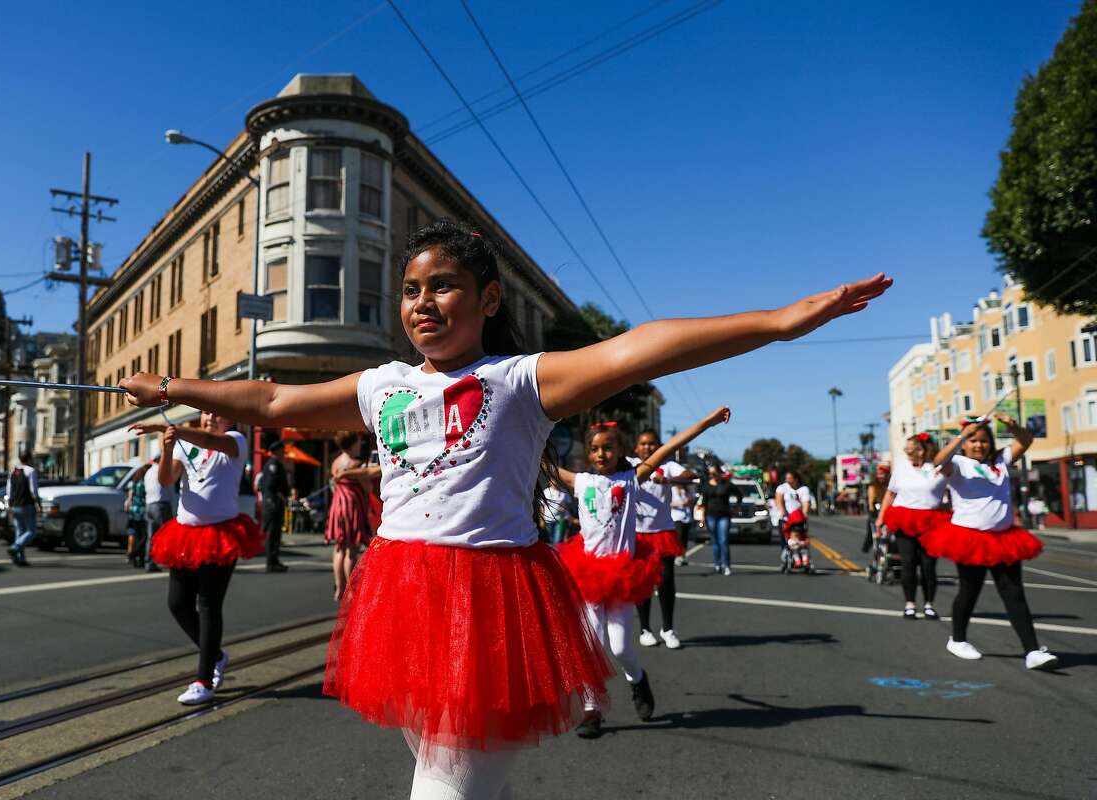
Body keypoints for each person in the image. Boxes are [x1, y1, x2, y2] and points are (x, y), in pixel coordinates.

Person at [120, 218, 890, 798]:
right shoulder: (384, 384)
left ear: (488, 299)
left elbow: (647, 346)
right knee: (445, 768)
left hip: (487, 603)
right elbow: (273, 396)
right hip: (401, 598)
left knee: (445, 787)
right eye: (412, 290)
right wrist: (167, 389)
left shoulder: (523, 381)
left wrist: (784, 321)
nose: (424, 303)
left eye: (444, 286)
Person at [557, 408, 730, 738]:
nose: (600, 454)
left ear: (620, 450)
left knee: (621, 648)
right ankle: (592, 710)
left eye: (607, 447)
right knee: (592, 645)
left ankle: (638, 681)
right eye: (594, 449)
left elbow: (671, 446)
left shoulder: (631, 479)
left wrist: (706, 422)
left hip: (622, 575)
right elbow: (540, 462)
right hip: (588, 575)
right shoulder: (581, 482)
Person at [129, 413, 264, 704]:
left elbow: (210, 440)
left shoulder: (235, 441)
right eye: (205, 411)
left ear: (229, 420)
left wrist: (170, 429)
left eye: (216, 412)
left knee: (208, 605)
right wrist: (166, 446)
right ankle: (215, 655)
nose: (210, 417)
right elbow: (167, 480)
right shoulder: (185, 443)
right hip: (185, 533)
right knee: (177, 603)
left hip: (220, 534)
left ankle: (204, 680)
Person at [920, 415, 1058, 669]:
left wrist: (1013, 427)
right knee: (969, 591)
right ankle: (957, 639)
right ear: (965, 443)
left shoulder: (1001, 460)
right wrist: (962, 435)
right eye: (973, 441)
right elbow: (938, 461)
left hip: (1004, 537)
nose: (978, 445)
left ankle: (1032, 651)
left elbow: (1026, 441)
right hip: (970, 537)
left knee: (1014, 594)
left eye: (983, 441)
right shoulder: (958, 462)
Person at [629, 429, 697, 650]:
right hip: (637, 532)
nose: (647, 447)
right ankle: (645, 629)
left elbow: (690, 476)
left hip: (663, 531)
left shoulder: (667, 465)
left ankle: (668, 629)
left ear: (659, 447)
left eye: (652, 444)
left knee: (666, 580)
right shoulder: (629, 464)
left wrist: (667, 479)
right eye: (643, 443)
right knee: (642, 581)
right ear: (636, 447)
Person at [877, 433, 948, 619]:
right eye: (906, 449)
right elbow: (890, 495)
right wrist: (880, 518)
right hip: (904, 518)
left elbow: (954, 491)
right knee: (907, 563)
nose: (908, 452)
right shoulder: (901, 469)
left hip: (931, 521)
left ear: (923, 450)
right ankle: (910, 604)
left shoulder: (938, 468)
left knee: (928, 565)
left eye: (912, 448)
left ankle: (929, 604)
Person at [325, 432, 381, 602]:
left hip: (337, 504)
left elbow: (333, 483)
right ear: (353, 444)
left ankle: (338, 586)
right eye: (358, 441)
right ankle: (350, 589)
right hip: (352, 504)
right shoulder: (357, 464)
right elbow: (367, 487)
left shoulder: (335, 462)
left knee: (339, 547)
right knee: (352, 548)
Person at [259, 435, 291, 573]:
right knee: (272, 533)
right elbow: (270, 485)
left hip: (273, 502)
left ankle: (274, 560)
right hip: (272, 503)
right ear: (276, 451)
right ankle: (271, 562)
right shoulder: (273, 464)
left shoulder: (274, 464)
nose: (284, 453)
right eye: (282, 451)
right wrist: (280, 495)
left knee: (276, 533)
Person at [702, 466, 742, 575]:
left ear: (719, 473)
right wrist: (702, 517)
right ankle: (717, 564)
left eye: (714, 473)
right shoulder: (706, 485)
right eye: (710, 474)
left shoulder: (727, 484)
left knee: (723, 540)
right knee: (715, 542)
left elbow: (739, 494)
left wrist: (736, 507)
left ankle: (727, 565)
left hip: (724, 516)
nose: (712, 476)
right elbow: (704, 502)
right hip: (711, 515)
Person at [5, 451, 41, 567]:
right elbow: (33, 489)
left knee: (19, 532)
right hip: (27, 504)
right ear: (29, 459)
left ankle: (20, 558)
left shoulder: (13, 471)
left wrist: (10, 504)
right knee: (31, 531)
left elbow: (9, 490)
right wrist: (37, 504)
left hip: (15, 505)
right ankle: (14, 547)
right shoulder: (30, 471)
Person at [143, 453, 175, 573]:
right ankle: (169, 561)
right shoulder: (163, 470)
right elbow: (170, 487)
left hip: (149, 505)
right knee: (167, 535)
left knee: (151, 537)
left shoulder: (148, 472)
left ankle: (149, 563)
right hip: (161, 505)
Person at [777, 471, 813, 570]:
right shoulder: (782, 488)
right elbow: (779, 500)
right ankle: (789, 559)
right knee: (787, 541)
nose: (788, 480)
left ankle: (803, 560)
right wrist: (783, 511)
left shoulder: (803, 489)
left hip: (799, 520)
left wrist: (804, 516)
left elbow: (806, 503)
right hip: (786, 519)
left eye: (790, 478)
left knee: (801, 539)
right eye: (786, 478)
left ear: (796, 479)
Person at [124, 463, 150, 568]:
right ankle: (135, 553)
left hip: (133, 511)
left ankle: (134, 556)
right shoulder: (145, 483)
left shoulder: (133, 483)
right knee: (144, 536)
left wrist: (128, 505)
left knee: (135, 534)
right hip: (142, 511)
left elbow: (130, 497)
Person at [670, 481, 696, 566]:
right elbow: (668, 503)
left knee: (684, 539)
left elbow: (692, 502)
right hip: (677, 517)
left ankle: (683, 556)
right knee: (679, 537)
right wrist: (680, 504)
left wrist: (689, 502)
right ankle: (678, 556)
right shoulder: (673, 490)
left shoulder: (687, 491)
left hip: (687, 517)